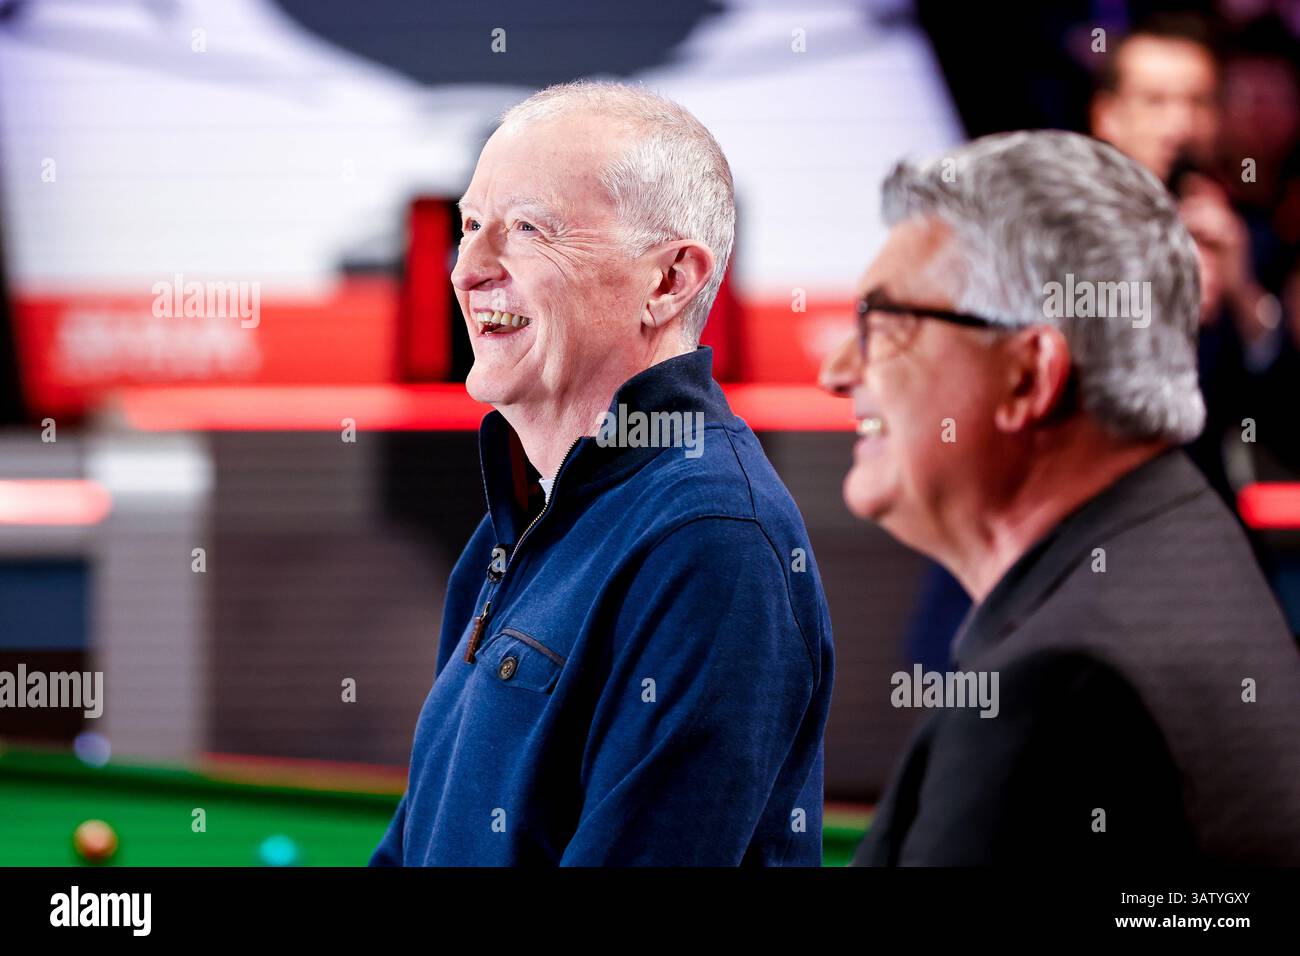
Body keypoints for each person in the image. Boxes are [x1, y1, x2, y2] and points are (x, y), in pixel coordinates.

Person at [371, 81, 834, 866]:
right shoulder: (518, 517)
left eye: (527, 228)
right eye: (471, 225)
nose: (467, 270)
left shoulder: (713, 541)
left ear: (668, 282)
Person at [819, 130, 1300, 864]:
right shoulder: (1173, 544)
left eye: (884, 326)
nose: (837, 369)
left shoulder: (1058, 691)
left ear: (1029, 375)